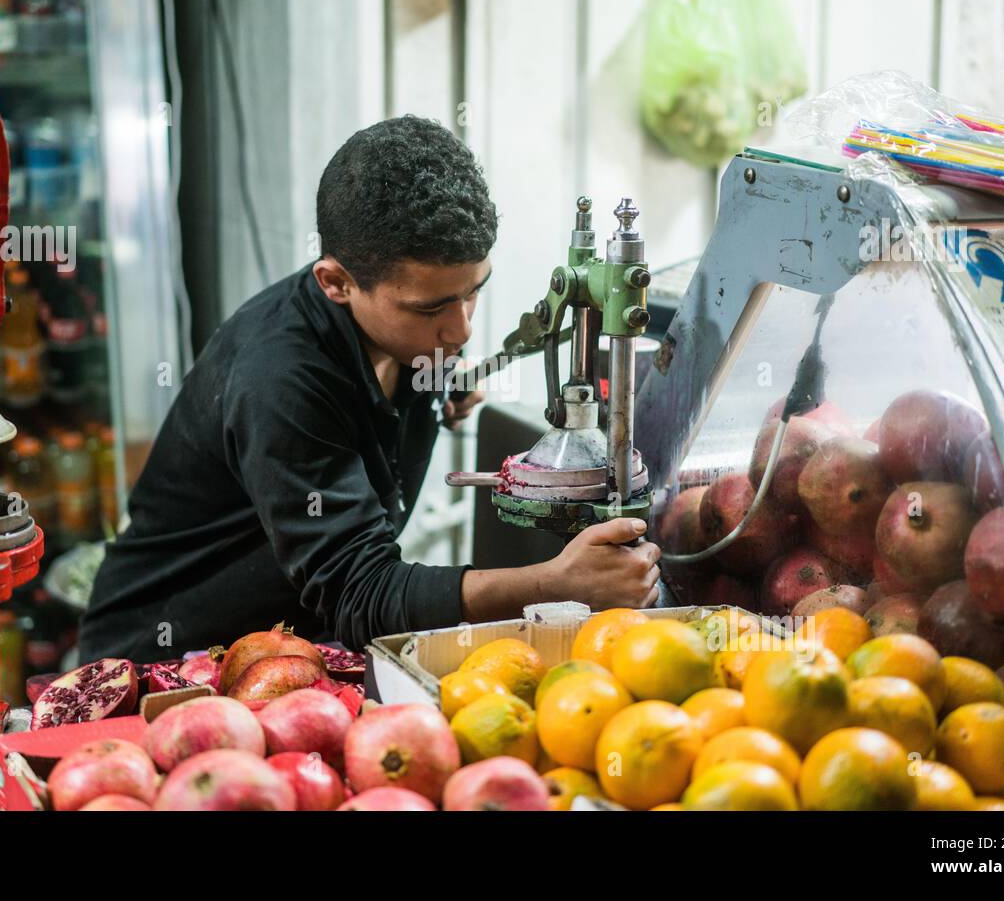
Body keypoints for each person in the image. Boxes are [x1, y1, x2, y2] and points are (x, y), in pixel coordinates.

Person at [78, 115, 661, 663]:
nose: (462, 329)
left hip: (289, 650)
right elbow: (361, 595)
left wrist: (433, 392)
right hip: (166, 666)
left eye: (474, 291)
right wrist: (557, 585)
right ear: (336, 282)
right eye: (431, 306)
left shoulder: (405, 339)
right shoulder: (278, 379)